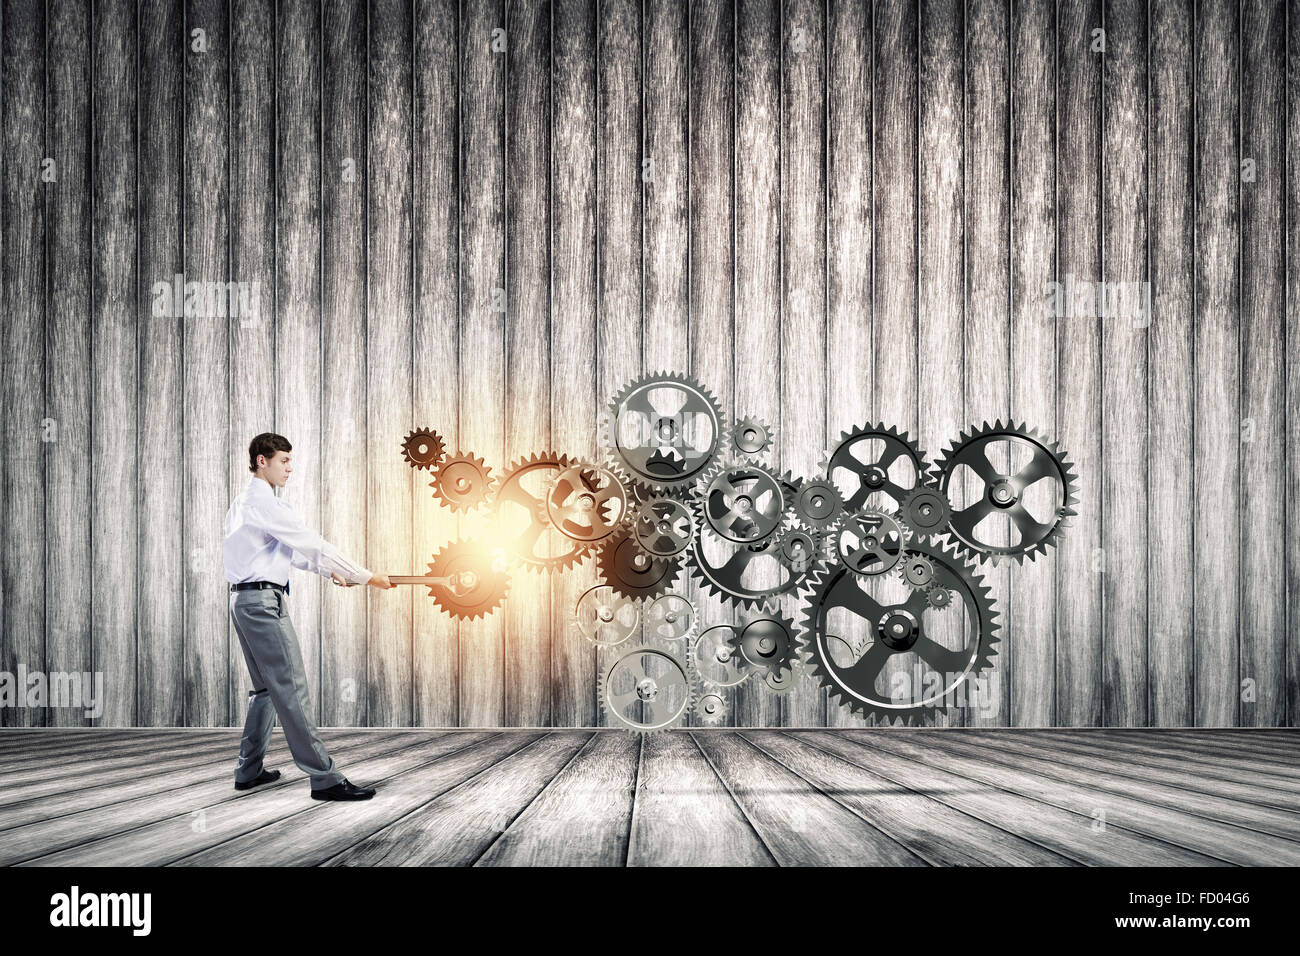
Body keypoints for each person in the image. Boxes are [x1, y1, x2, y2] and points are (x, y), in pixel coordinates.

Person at [223, 432, 396, 801]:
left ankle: (248, 770)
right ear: (261, 461)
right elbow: (312, 544)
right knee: (292, 691)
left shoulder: (242, 504)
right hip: (264, 604)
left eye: (290, 461)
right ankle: (325, 778)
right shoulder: (266, 503)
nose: (289, 468)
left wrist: (331, 572)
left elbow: (284, 552)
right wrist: (363, 575)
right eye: (283, 461)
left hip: (243, 601)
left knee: (266, 690)